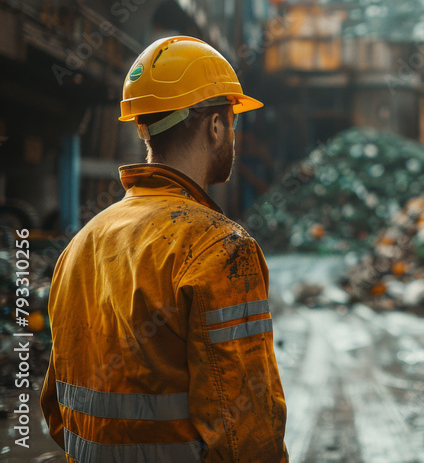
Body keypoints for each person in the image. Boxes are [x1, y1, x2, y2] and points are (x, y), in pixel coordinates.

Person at [40, 36, 288, 462]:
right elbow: (246, 434)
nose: (232, 134)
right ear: (215, 126)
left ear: (143, 128)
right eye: (232, 121)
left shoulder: (82, 244)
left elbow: (56, 410)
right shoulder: (220, 248)